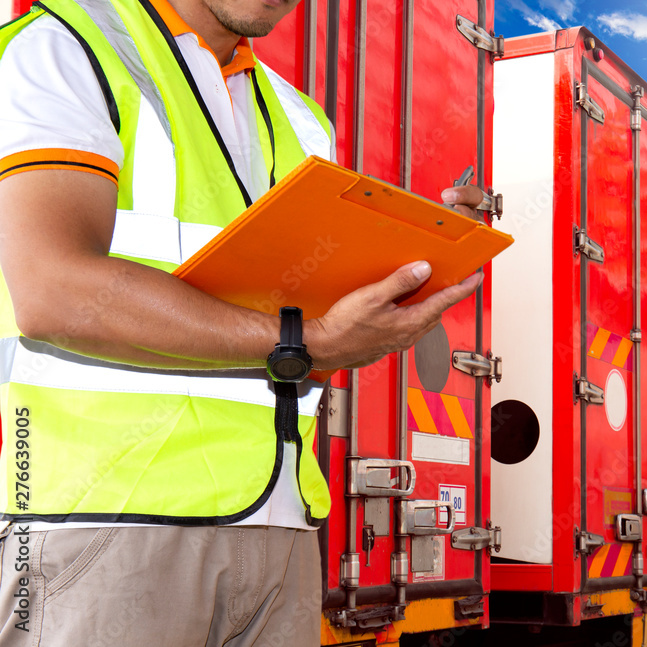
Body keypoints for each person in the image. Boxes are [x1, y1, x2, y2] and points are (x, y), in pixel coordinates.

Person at [0, 0, 484, 643]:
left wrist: (410, 273)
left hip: (280, 528)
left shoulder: (300, 120)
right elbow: (53, 290)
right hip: (102, 521)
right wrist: (308, 342)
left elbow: (311, 327)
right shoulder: (66, 46)